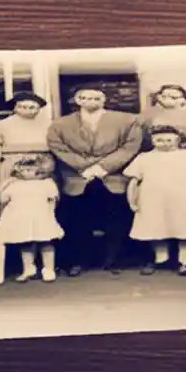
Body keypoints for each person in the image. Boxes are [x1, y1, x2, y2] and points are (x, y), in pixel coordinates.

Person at [46, 86, 143, 276]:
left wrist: (103, 167)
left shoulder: (127, 120)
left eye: (96, 98)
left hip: (113, 177)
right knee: (77, 222)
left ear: (104, 100)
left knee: (116, 220)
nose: (91, 101)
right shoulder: (59, 124)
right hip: (77, 178)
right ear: (77, 100)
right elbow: (58, 147)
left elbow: (130, 146)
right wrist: (84, 167)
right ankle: (79, 261)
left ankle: (114, 260)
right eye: (85, 98)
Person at [124, 125, 186, 276]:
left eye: (169, 140)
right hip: (152, 201)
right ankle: (161, 258)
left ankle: (184, 260)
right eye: (159, 140)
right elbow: (133, 182)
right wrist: (132, 201)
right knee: (155, 227)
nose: (165, 143)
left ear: (178, 139)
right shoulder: (144, 158)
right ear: (152, 141)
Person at [0, 156, 64, 285]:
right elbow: (3, 199)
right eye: (24, 170)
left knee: (46, 242)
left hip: (41, 217)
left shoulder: (47, 183)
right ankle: (29, 268)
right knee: (25, 242)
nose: (27, 172)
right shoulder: (12, 184)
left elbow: (54, 198)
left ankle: (48, 269)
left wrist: (50, 212)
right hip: (21, 218)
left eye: (31, 169)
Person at [0, 91, 54, 219]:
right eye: (22, 107)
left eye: (32, 107)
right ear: (15, 107)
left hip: (42, 163)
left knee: (40, 201)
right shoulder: (1, 124)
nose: (27, 110)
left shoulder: (50, 124)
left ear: (39, 109)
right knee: (9, 202)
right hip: (10, 163)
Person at [139, 84, 186, 157]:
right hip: (156, 156)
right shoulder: (148, 116)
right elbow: (142, 139)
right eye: (164, 96)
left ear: (184, 100)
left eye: (173, 97)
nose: (167, 99)